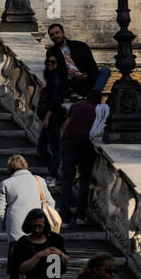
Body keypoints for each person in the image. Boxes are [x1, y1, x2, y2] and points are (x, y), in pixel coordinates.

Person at [58, 92, 99, 226]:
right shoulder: (98, 109)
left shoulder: (76, 105)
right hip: (85, 143)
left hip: (68, 141)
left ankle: (64, 216)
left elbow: (68, 122)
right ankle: (81, 215)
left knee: (67, 179)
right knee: (84, 179)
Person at [7, 208, 68, 279]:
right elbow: (21, 268)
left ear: (45, 225)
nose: (36, 230)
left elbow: (66, 258)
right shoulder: (23, 243)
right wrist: (38, 256)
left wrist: (60, 253)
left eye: (40, 226)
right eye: (34, 226)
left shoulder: (55, 239)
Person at [0, 154, 44, 243]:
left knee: (16, 252)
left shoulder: (6, 183)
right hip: (37, 223)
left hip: (15, 224)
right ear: (25, 165)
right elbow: (50, 202)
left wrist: (4, 222)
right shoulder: (39, 180)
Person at [45, 22, 102, 98]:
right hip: (69, 81)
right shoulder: (51, 52)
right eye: (52, 35)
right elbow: (50, 72)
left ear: (63, 33)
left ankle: (93, 95)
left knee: (105, 71)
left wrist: (85, 74)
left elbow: (92, 65)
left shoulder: (80, 46)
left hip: (85, 78)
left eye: (57, 33)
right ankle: (90, 95)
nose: (55, 36)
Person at [36, 52, 66, 183]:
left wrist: (47, 117)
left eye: (53, 62)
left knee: (54, 148)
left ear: (58, 64)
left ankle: (53, 175)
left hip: (53, 117)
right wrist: (45, 89)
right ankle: (53, 172)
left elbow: (55, 100)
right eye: (48, 62)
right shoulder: (51, 77)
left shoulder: (58, 78)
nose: (49, 64)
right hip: (48, 117)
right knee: (41, 147)